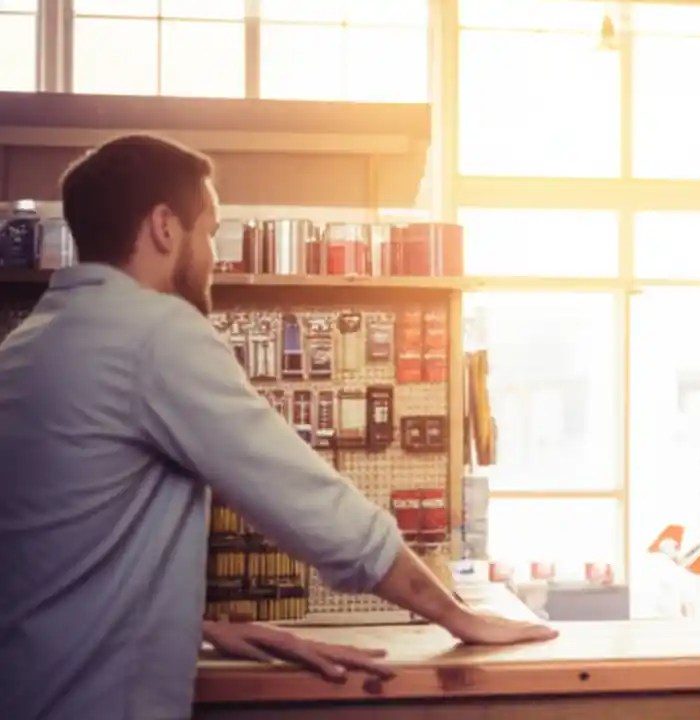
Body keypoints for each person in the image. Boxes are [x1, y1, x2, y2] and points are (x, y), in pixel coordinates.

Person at [0, 134, 557, 720]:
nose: (214, 255)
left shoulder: (30, 344)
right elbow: (307, 502)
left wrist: (201, 629)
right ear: (165, 227)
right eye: (210, 231)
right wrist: (455, 614)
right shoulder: (155, 333)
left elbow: (56, 555)